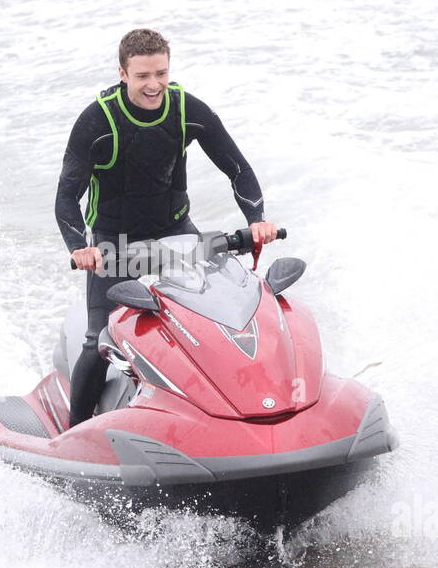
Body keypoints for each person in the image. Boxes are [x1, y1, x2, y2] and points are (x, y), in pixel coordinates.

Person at [55, 28, 278, 427]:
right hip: (114, 244)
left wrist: (256, 221)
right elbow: (66, 198)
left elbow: (239, 169)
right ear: (122, 74)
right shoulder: (97, 122)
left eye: (161, 73)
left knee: (213, 315)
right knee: (99, 339)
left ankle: (231, 409)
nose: (154, 84)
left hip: (176, 232)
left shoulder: (187, 109)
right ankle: (73, 434)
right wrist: (79, 246)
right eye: (142, 75)